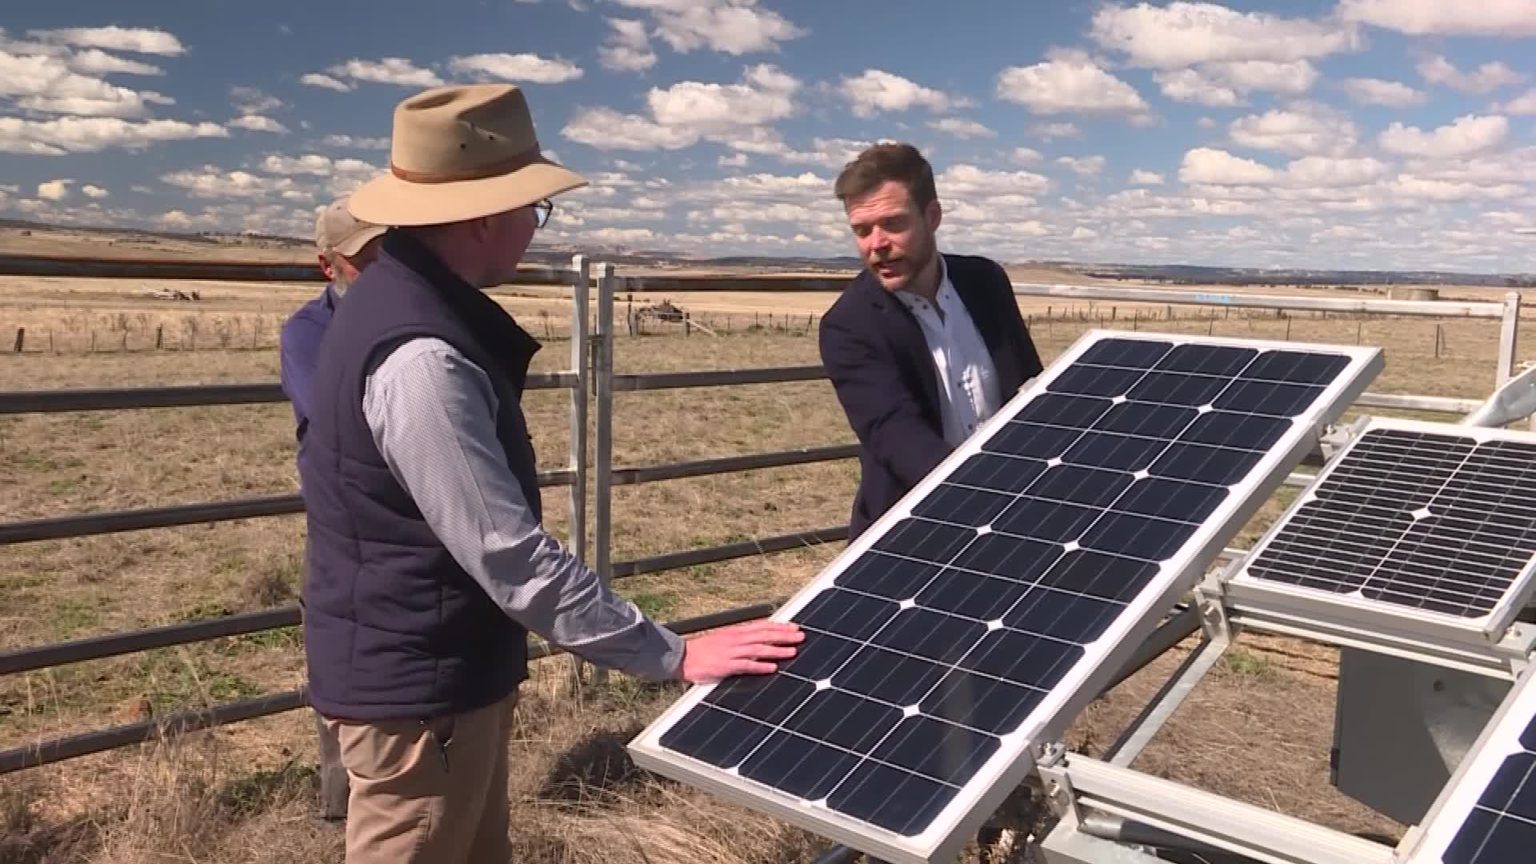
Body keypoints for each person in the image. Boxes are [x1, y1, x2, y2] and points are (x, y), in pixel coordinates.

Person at [299, 82, 803, 864]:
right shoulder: (423, 357)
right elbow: (506, 552)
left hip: (426, 679)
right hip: (422, 694)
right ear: (480, 216)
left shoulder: (394, 302)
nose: (534, 229)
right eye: (533, 210)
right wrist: (669, 654)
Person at [819, 143, 1045, 540]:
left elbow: (1028, 388)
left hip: (1015, 519)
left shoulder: (985, 282)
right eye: (861, 230)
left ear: (932, 216)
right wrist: (990, 497)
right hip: (913, 531)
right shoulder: (849, 326)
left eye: (893, 224)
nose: (876, 244)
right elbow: (897, 437)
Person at [277, 196, 387, 825]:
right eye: (366, 259)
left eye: (390, 253)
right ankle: (341, 807)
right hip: (344, 523)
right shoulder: (309, 332)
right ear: (329, 266)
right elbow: (350, 422)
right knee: (341, 663)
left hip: (412, 519)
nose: (382, 270)